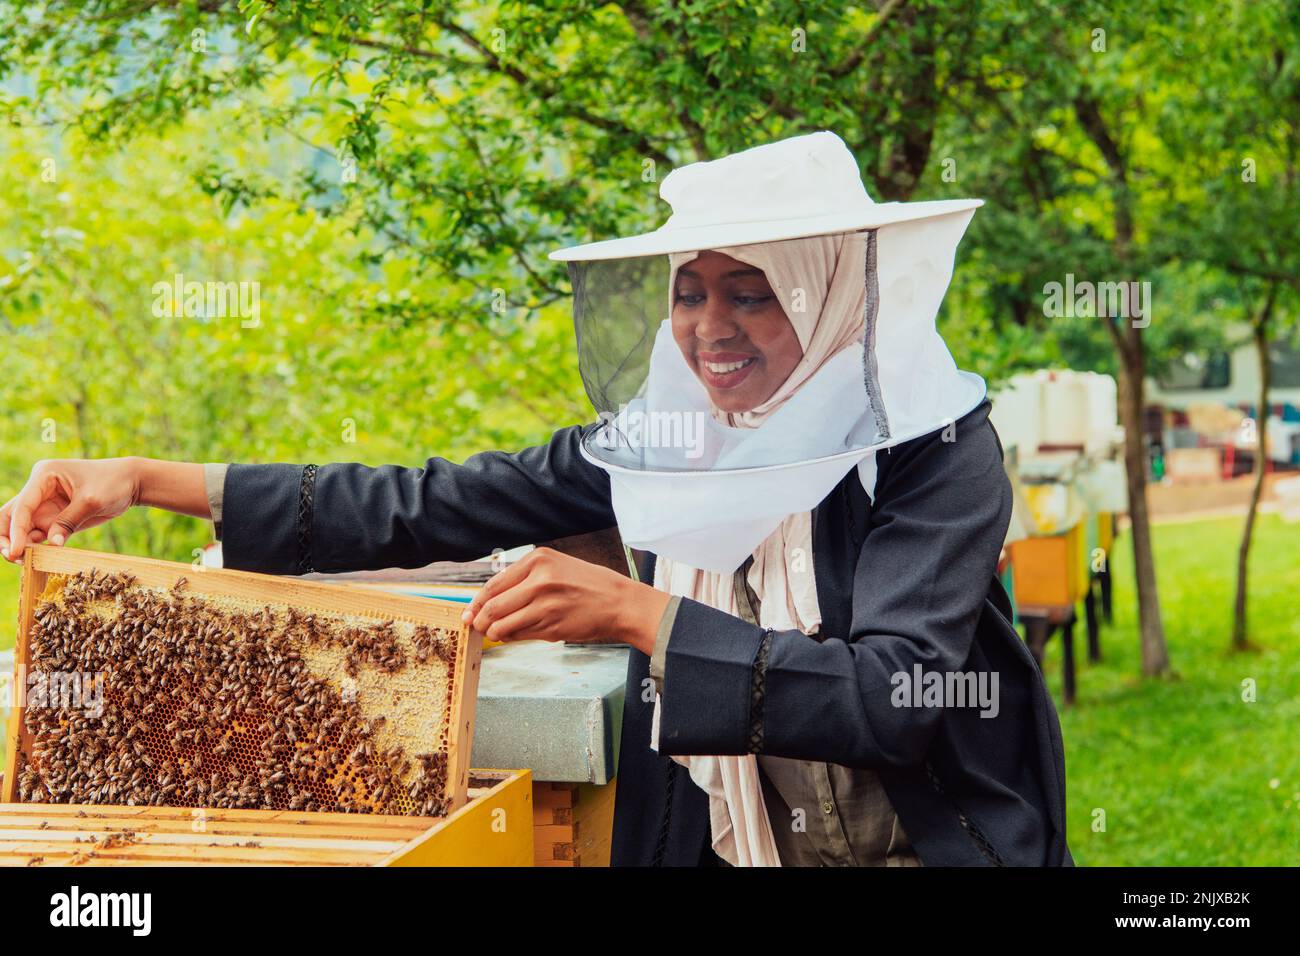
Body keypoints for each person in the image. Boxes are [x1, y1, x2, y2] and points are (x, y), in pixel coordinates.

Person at [0, 131, 1071, 867]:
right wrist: (145, 479)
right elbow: (436, 501)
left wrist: (639, 615)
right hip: (734, 839)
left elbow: (898, 695)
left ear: (830, 293)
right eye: (689, 294)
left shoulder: (934, 451)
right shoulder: (666, 438)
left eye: (753, 292)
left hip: (929, 842)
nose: (710, 328)